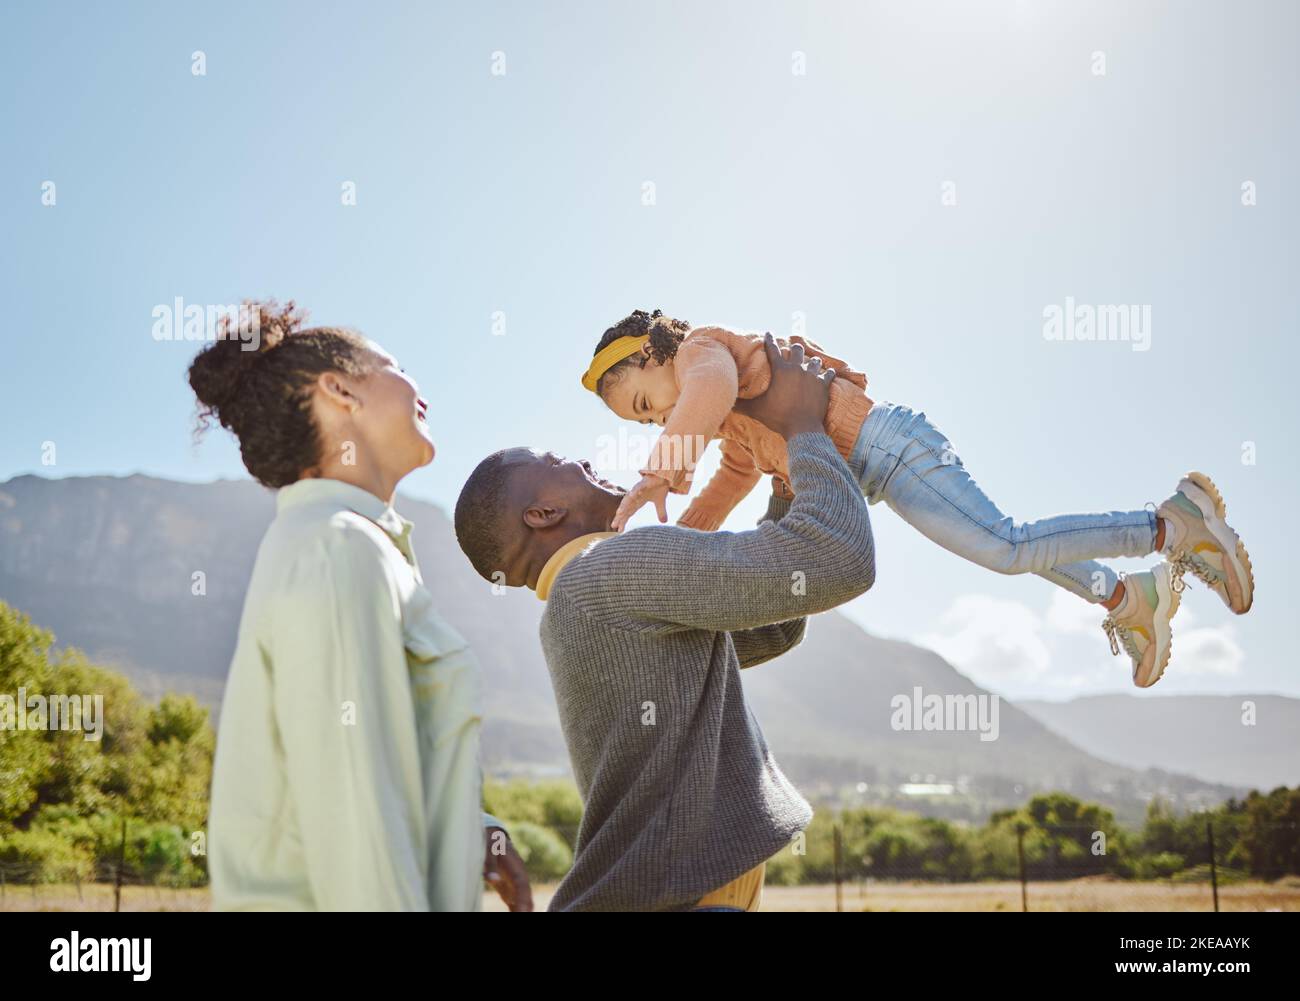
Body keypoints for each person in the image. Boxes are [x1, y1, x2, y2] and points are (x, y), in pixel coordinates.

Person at [583, 311, 1255, 688]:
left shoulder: (706, 351)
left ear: (652, 351)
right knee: (1001, 544)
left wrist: (660, 468)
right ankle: (1127, 597)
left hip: (893, 443)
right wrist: (661, 549)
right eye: (645, 423)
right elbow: (724, 488)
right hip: (878, 471)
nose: (657, 420)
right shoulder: (732, 428)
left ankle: (1169, 526)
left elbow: (707, 385)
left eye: (646, 403)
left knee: (1006, 544)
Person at [454, 337, 875, 910]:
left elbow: (775, 626)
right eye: (560, 464)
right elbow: (837, 560)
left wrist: (782, 474)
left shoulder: (579, 602)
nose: (584, 461)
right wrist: (802, 426)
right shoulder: (607, 570)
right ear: (543, 514)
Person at [190, 301, 530, 911]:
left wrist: (469, 829)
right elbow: (357, 822)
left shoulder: (354, 545)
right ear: (340, 390)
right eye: (393, 366)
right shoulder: (337, 550)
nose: (416, 384)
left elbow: (378, 759)